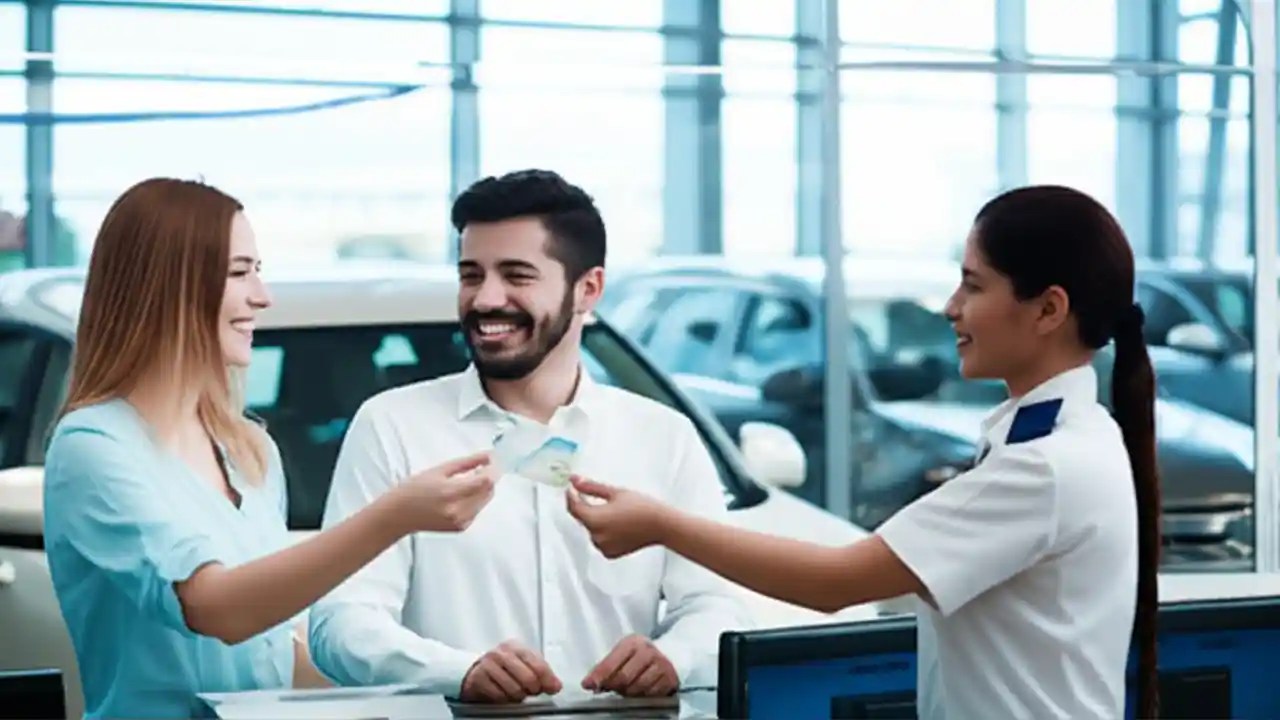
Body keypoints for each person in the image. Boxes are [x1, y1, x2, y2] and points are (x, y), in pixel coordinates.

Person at [567, 185, 1162, 720]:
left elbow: (835, 582)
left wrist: (661, 524)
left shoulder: (1045, 466)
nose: (952, 306)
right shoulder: (1065, 436)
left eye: (974, 285)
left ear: (1048, 309)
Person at [41, 177, 497, 720]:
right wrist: (395, 516)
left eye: (258, 271)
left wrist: (458, 675)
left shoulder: (249, 450)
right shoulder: (92, 447)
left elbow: (276, 652)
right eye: (240, 273)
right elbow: (219, 609)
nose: (263, 296)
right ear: (169, 287)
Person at [307, 169, 749, 703]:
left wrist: (672, 658)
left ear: (588, 290)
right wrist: (458, 671)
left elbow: (715, 606)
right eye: (471, 275)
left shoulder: (663, 437)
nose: (486, 298)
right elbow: (340, 621)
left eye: (516, 275)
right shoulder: (392, 426)